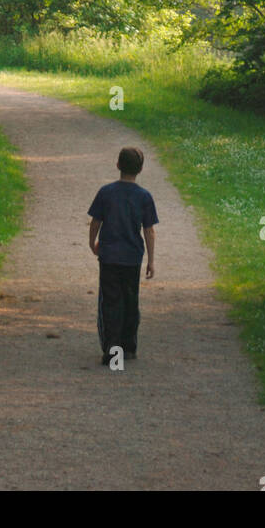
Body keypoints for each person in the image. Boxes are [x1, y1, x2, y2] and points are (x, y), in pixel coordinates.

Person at [87, 146, 158, 366]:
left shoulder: (106, 192)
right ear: (141, 169)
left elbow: (96, 222)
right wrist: (151, 260)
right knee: (130, 300)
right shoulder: (144, 196)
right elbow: (149, 230)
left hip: (109, 256)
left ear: (117, 165)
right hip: (132, 257)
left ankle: (112, 350)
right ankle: (128, 347)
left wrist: (92, 243)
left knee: (110, 302)